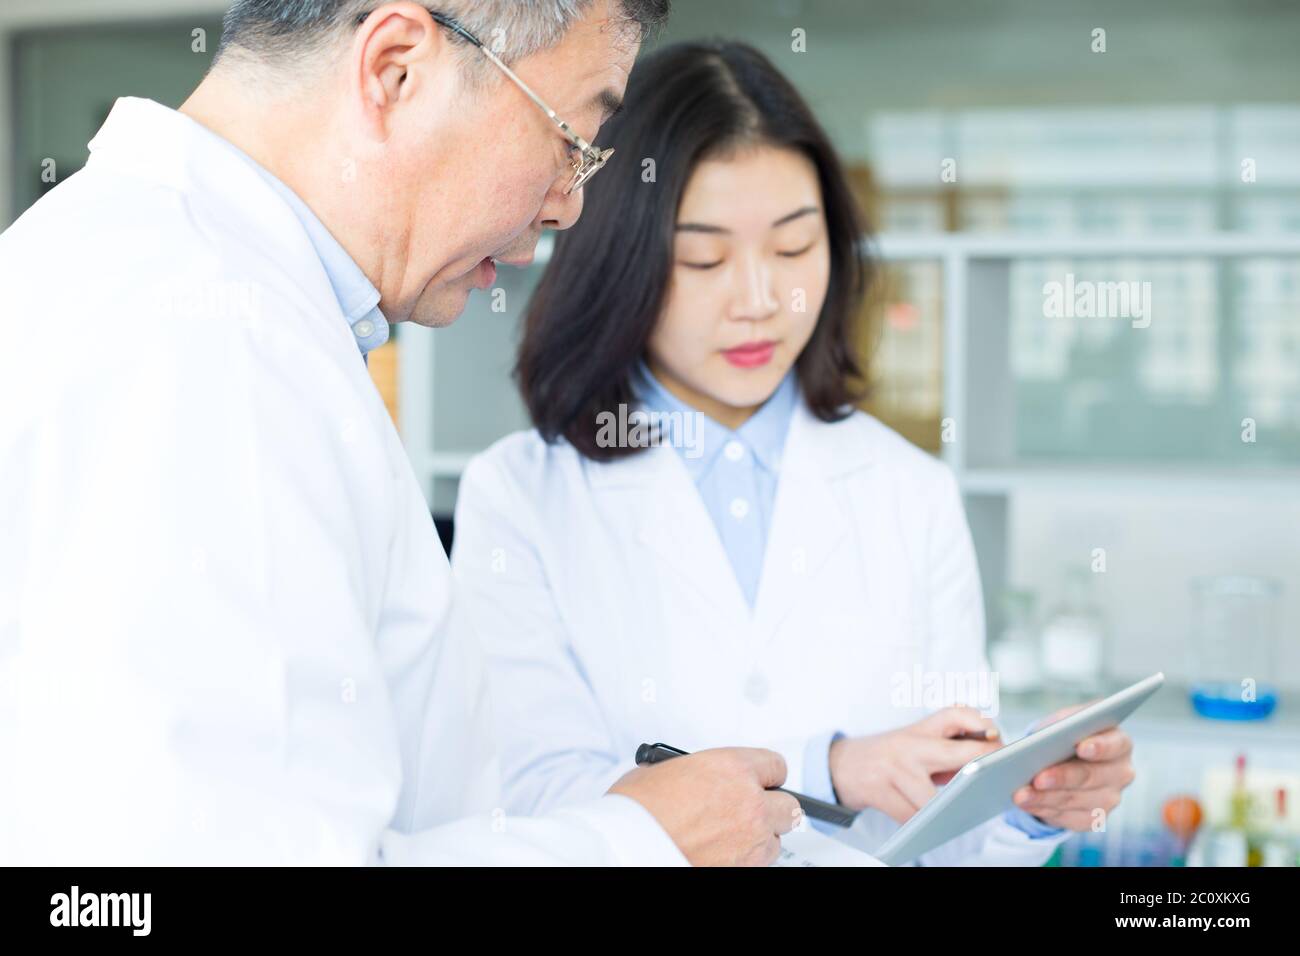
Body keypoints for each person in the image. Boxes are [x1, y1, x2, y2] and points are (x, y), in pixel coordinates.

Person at [0, 2, 802, 866]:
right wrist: (637, 847)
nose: (570, 205)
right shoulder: (209, 337)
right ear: (396, 71)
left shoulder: (143, 268)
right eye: (572, 139)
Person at [451, 40, 1137, 864]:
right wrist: (828, 767)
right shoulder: (518, 496)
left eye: (792, 248)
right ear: (621, 258)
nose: (760, 301)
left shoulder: (911, 491)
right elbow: (533, 803)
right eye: (704, 256)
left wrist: (1025, 803)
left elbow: (948, 833)